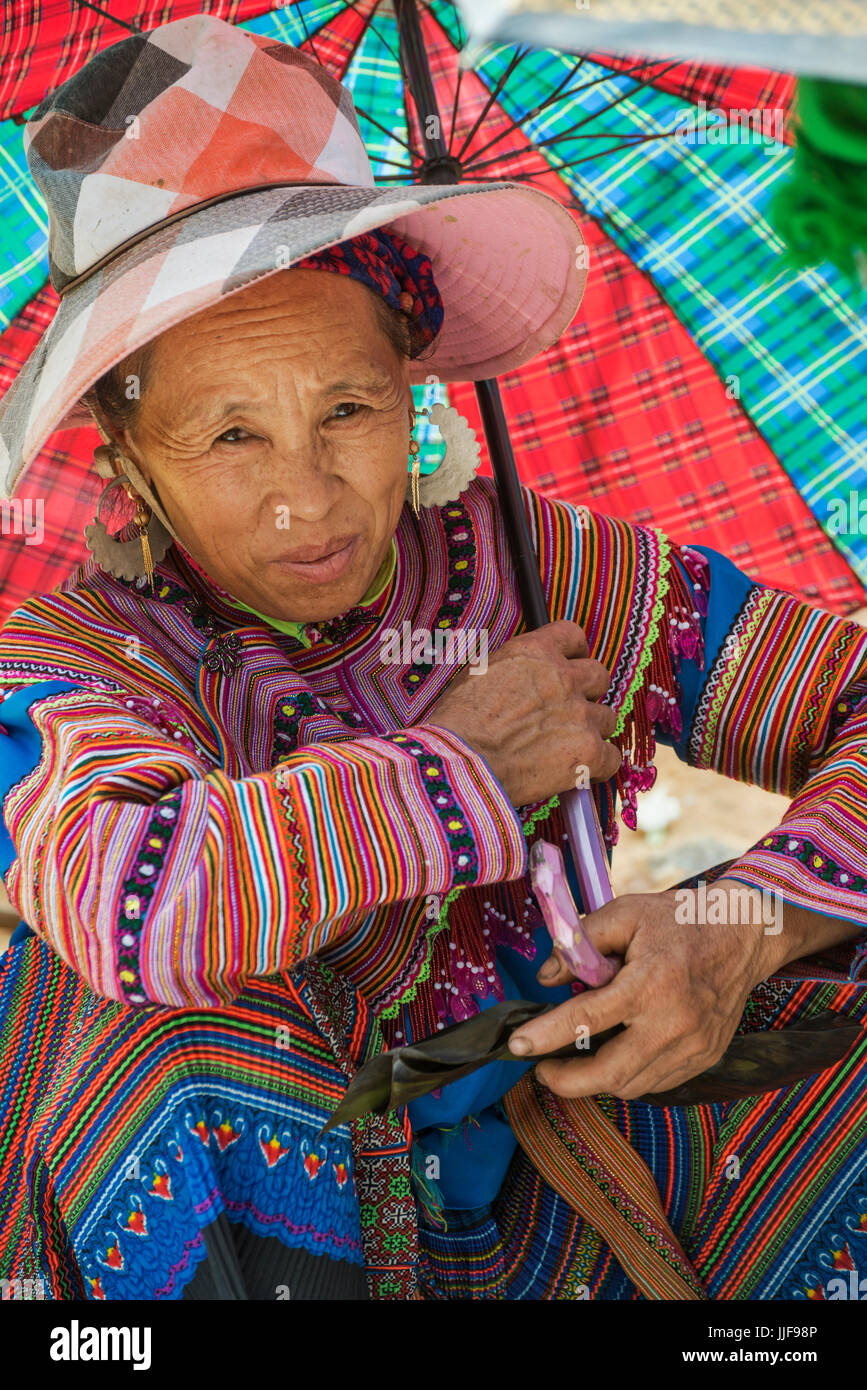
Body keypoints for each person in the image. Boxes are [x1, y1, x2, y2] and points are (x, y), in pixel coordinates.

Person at [0, 14, 865, 1302]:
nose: (309, 497)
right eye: (231, 436)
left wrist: (731, 933)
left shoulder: (536, 567)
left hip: (567, 1178)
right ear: (126, 457)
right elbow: (133, 905)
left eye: (346, 408)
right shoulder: (77, 658)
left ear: (413, 387)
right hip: (268, 1242)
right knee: (168, 1029)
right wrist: (461, 763)